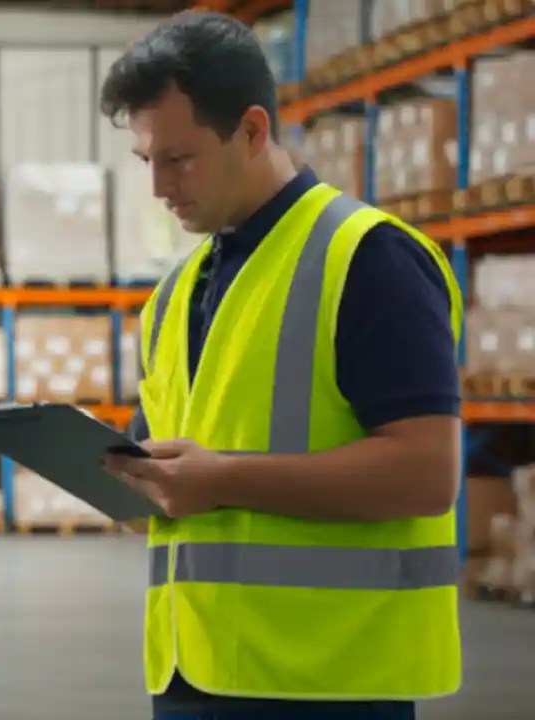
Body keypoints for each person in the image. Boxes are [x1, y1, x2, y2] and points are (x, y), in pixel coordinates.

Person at [98, 10, 462, 720]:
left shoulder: (367, 259)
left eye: (179, 158)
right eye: (148, 162)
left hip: (330, 684)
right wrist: (127, 480)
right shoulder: (177, 293)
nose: (159, 187)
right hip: (194, 673)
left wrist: (222, 478)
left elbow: (426, 473)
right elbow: (166, 492)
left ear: (254, 130)